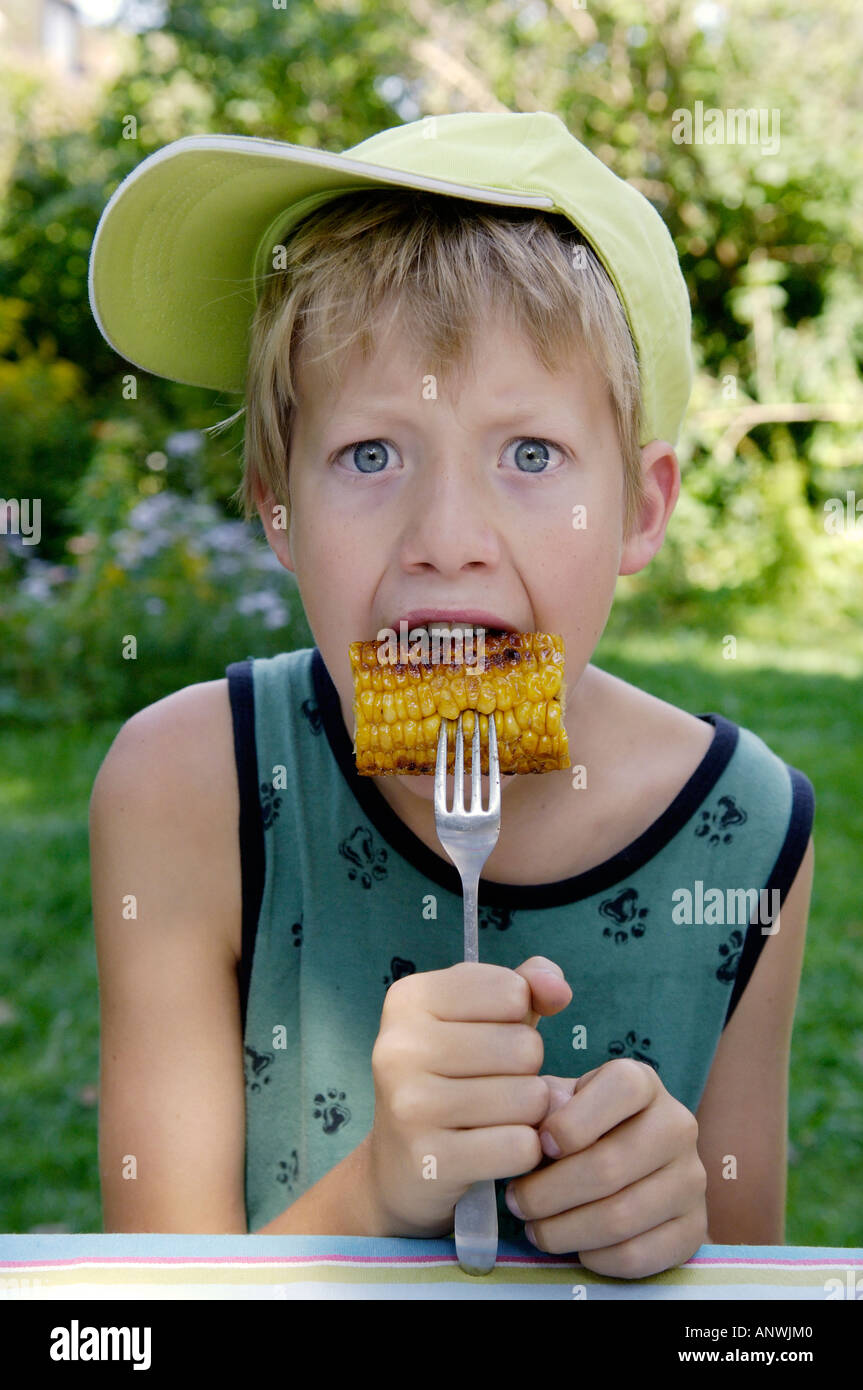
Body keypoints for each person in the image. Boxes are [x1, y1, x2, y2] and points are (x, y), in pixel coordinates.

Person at [87, 111, 814, 1278]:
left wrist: (680, 1235)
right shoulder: (184, 786)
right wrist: (377, 1189)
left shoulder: (747, 829)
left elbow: (752, 1319)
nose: (447, 539)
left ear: (638, 510)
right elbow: (157, 1312)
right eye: (370, 454)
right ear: (277, 508)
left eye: (528, 455)